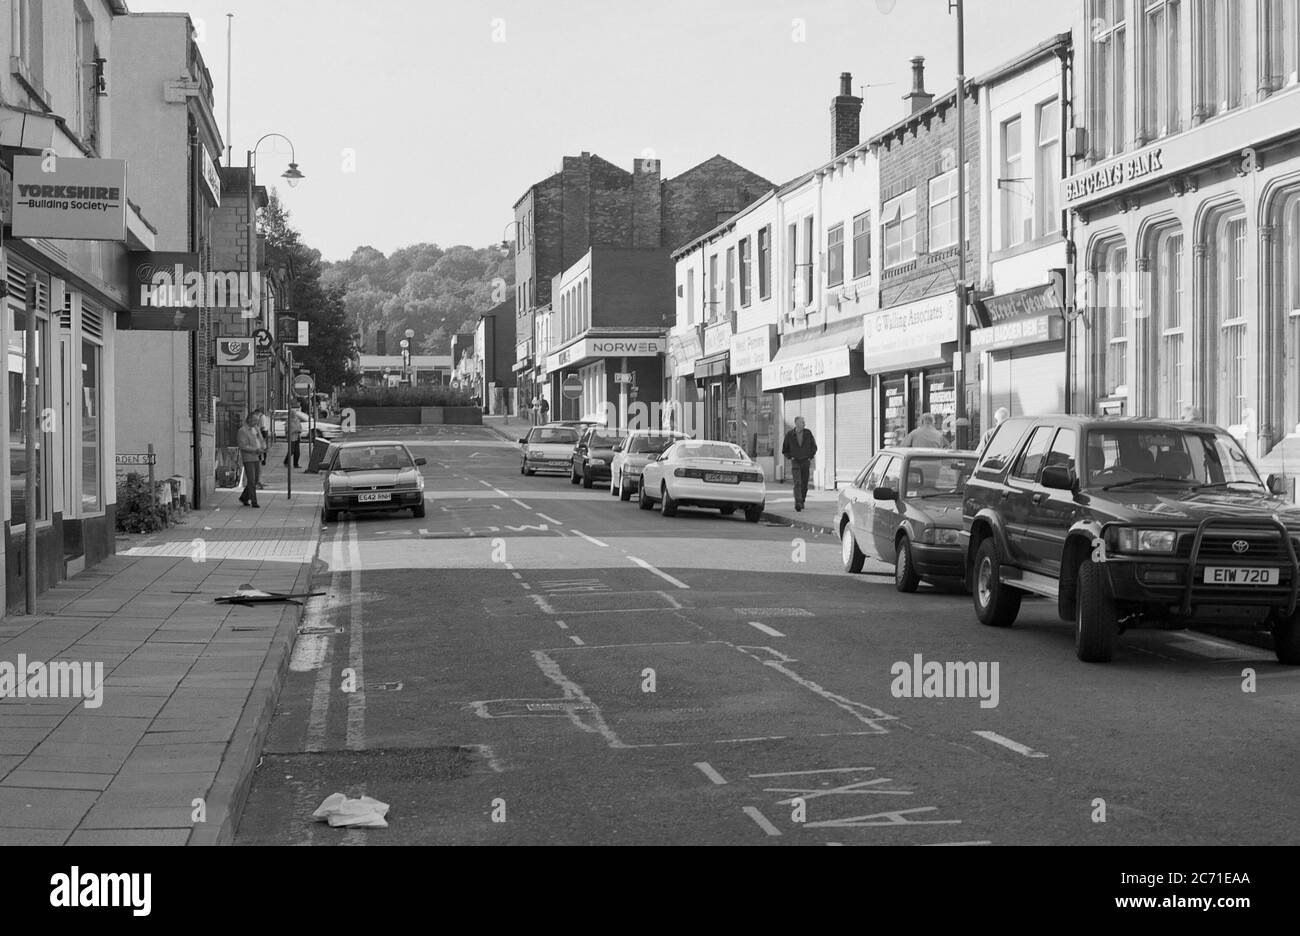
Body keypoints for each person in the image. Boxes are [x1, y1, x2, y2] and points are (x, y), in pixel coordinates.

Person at [781, 416, 818, 512]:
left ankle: (802, 500)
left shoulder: (808, 433)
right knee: (797, 482)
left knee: (804, 484)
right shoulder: (790, 435)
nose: (804, 424)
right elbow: (785, 449)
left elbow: (814, 446)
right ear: (796, 423)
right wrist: (790, 457)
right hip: (795, 462)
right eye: (802, 422)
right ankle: (798, 502)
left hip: (806, 461)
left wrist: (810, 456)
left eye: (804, 422)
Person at [237, 413, 265, 508]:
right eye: (254, 421)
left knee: (256, 479)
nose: (256, 423)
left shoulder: (256, 429)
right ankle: (254, 501)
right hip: (248, 458)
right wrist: (255, 449)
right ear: (249, 420)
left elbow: (260, 439)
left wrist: (262, 447)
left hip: (256, 456)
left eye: (257, 421)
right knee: (251, 480)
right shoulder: (243, 431)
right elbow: (243, 446)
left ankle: (244, 497)